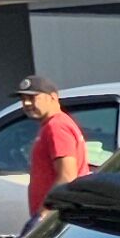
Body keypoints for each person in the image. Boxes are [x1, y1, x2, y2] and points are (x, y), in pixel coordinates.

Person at [20, 78, 90, 217]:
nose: (26, 103)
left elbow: (67, 176)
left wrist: (43, 214)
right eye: (23, 99)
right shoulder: (52, 125)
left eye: (32, 97)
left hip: (57, 216)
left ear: (53, 97)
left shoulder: (56, 126)